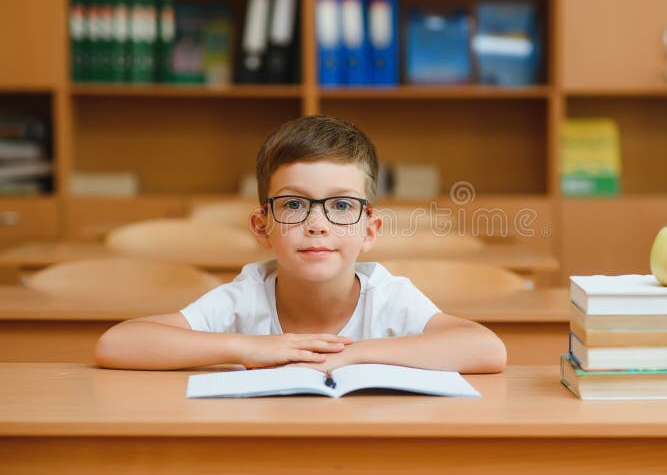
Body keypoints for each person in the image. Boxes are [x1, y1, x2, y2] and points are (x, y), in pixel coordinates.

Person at [95, 115, 507, 374]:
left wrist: (354, 355)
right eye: (294, 204)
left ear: (370, 229)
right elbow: (118, 343)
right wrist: (249, 347)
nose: (317, 224)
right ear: (262, 226)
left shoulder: (388, 297)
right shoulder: (246, 297)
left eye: (341, 205)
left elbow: (486, 349)